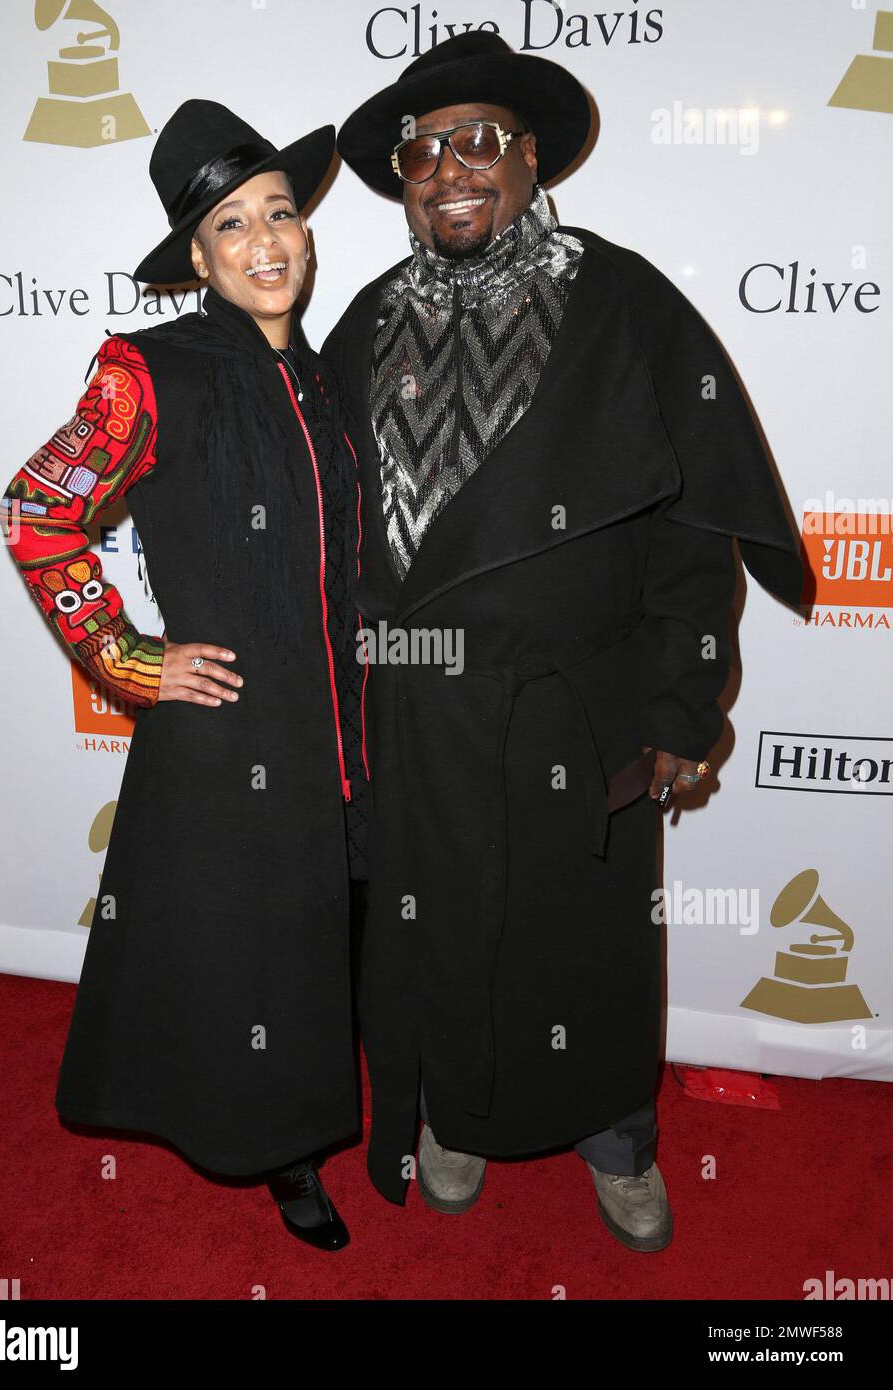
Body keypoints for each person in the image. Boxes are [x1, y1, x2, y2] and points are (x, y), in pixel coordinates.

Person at [324, 32, 804, 1250]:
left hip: (577, 707)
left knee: (583, 947)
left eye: (478, 141)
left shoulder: (624, 301)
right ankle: (453, 1112)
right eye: (420, 150)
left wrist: (683, 710)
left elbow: (695, 530)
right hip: (417, 713)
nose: (449, 170)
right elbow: (320, 532)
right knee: (438, 932)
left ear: (532, 160)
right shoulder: (368, 322)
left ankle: (616, 1139)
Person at [0, 100, 369, 1252]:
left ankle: (319, 1117)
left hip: (352, 722)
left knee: (322, 945)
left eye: (280, 214)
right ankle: (280, 1151)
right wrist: (125, 656)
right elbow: (36, 510)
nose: (266, 242)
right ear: (198, 258)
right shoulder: (147, 371)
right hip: (233, 732)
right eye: (231, 225)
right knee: (251, 951)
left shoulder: (326, 372)